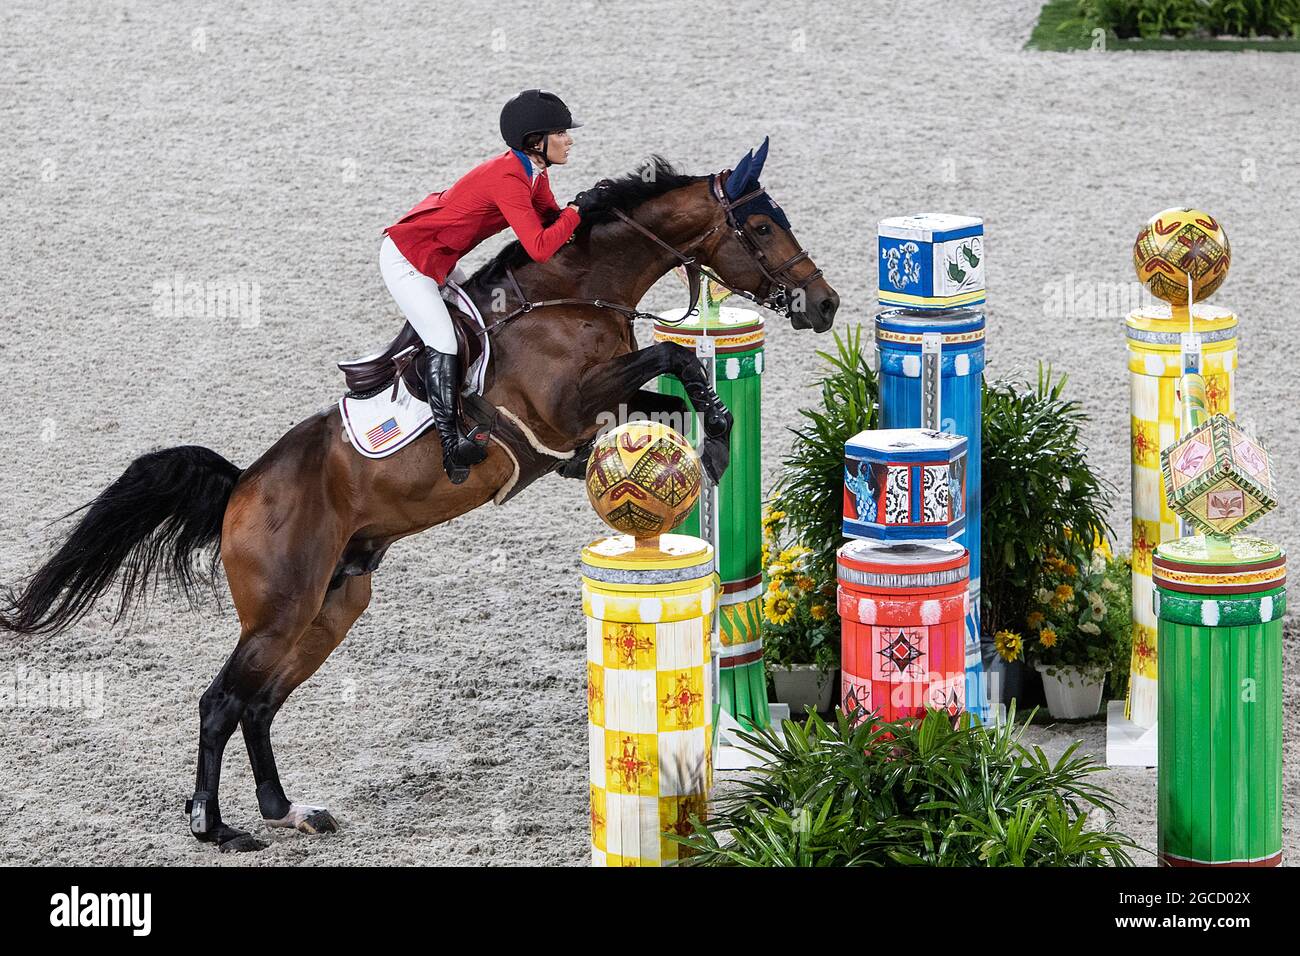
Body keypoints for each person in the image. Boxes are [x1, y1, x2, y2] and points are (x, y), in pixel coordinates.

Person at [381, 89, 600, 483]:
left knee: (487, 321)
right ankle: (452, 446)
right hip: (408, 260)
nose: (570, 140)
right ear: (536, 142)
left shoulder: (534, 173)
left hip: (442, 260)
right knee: (444, 341)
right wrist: (577, 211)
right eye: (562, 133)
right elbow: (539, 246)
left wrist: (583, 214)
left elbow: (554, 220)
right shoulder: (509, 178)